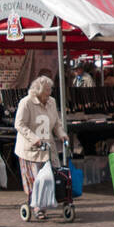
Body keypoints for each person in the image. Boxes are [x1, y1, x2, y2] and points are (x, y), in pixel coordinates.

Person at [14, 75, 68, 219]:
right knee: (36, 179)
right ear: (37, 90)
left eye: (50, 90)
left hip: (47, 147)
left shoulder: (51, 102)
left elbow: (56, 123)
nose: (49, 93)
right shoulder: (26, 103)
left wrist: (62, 134)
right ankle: (38, 207)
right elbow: (19, 124)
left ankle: (46, 202)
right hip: (30, 149)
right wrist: (34, 139)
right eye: (46, 90)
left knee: (50, 176)